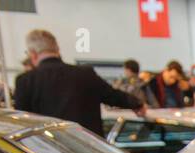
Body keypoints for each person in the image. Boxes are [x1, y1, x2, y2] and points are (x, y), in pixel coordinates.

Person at [12, 29, 144, 136]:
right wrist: (137, 104)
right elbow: (112, 96)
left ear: (33, 54)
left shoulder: (25, 81)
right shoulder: (85, 73)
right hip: (89, 150)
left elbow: (23, 123)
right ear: (57, 50)